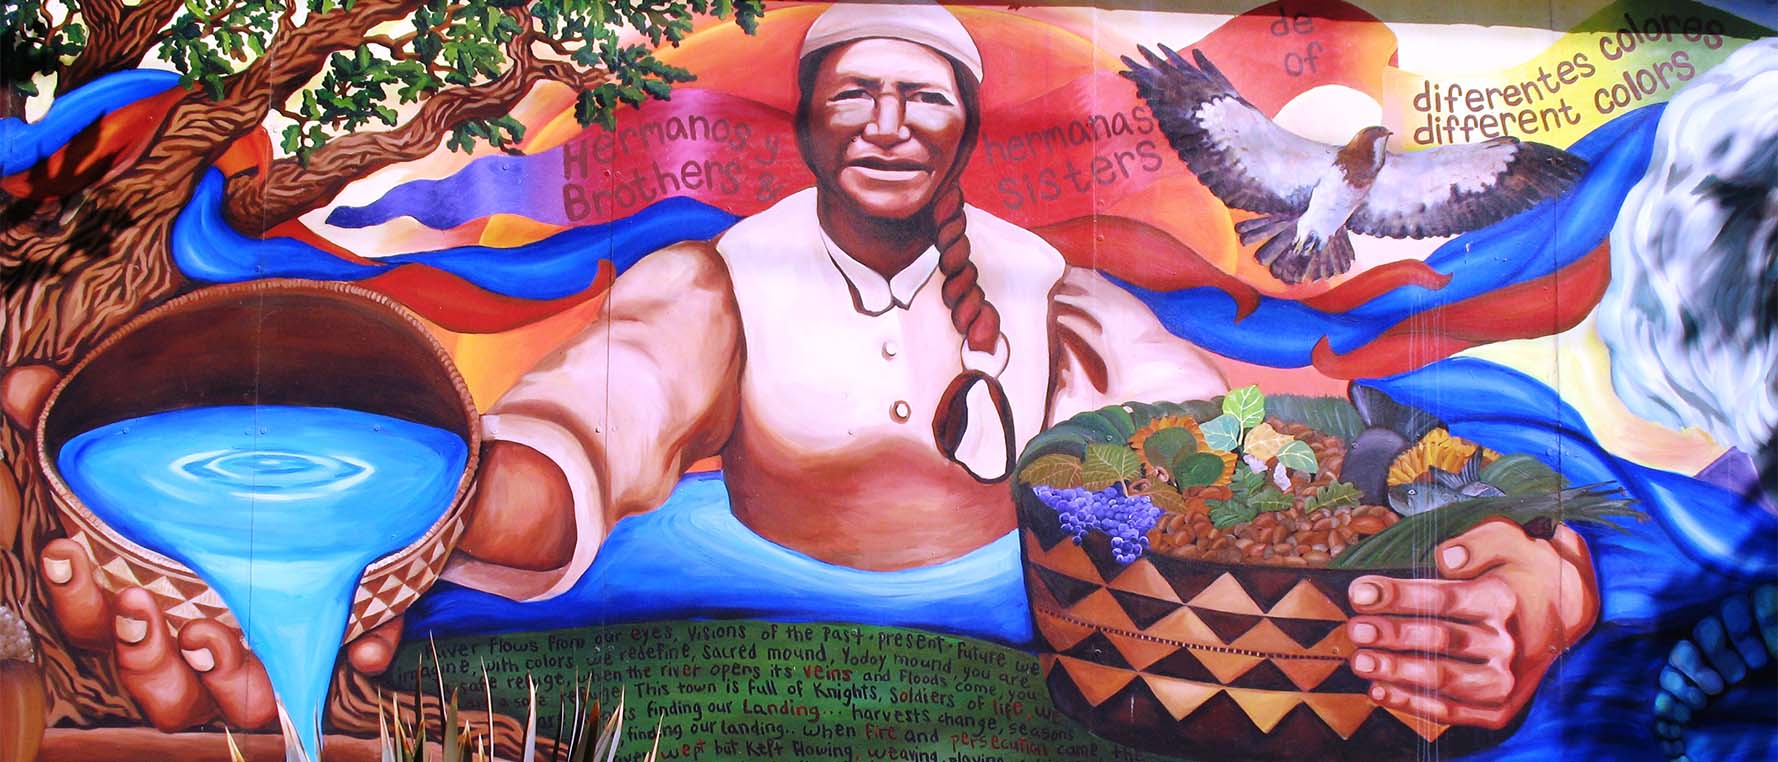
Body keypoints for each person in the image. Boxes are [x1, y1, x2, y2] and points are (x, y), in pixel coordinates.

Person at [38, 1, 1600, 740]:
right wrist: (404, 521)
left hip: (1009, 602)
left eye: (924, 97)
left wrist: (1512, 558)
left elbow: (1246, 443)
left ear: (963, 128)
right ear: (807, 119)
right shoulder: (717, 284)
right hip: (710, 568)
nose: (888, 123)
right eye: (854, 92)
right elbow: (591, 424)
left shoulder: (1056, 298)